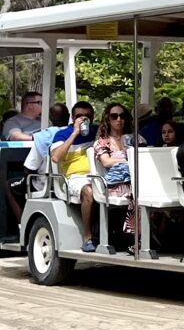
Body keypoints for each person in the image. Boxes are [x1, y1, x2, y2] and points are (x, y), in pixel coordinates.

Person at [51, 101, 104, 252]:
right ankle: (87, 237)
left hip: (98, 174)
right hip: (75, 178)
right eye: (79, 116)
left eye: (87, 116)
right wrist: (75, 133)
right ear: (73, 118)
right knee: (88, 191)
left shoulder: (97, 131)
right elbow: (55, 157)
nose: (83, 119)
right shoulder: (62, 134)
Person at [94, 103, 138, 244]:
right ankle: (136, 237)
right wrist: (129, 160)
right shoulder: (103, 142)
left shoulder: (135, 138)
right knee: (136, 193)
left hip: (135, 179)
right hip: (116, 184)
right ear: (108, 119)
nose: (119, 119)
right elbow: (106, 162)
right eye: (114, 116)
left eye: (122, 116)